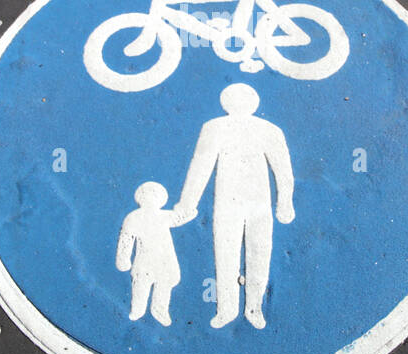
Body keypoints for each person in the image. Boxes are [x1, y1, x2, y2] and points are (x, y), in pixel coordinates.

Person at [175, 84, 294, 329]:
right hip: (236, 201)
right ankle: (232, 308)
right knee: (242, 252)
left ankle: (250, 308)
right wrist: (187, 203)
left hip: (253, 202)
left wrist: (285, 201)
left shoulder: (261, 130)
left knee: (248, 251)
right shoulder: (218, 128)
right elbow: (201, 166)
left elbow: (282, 169)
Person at [116, 182, 192, 326]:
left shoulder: (164, 215)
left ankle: (160, 310)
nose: (151, 199)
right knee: (141, 285)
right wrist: (123, 259)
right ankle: (137, 310)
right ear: (140, 198)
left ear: (160, 200)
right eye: (147, 195)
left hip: (164, 259)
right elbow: (126, 239)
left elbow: (179, 218)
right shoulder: (133, 217)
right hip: (144, 260)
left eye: (154, 196)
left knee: (164, 284)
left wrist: (189, 211)